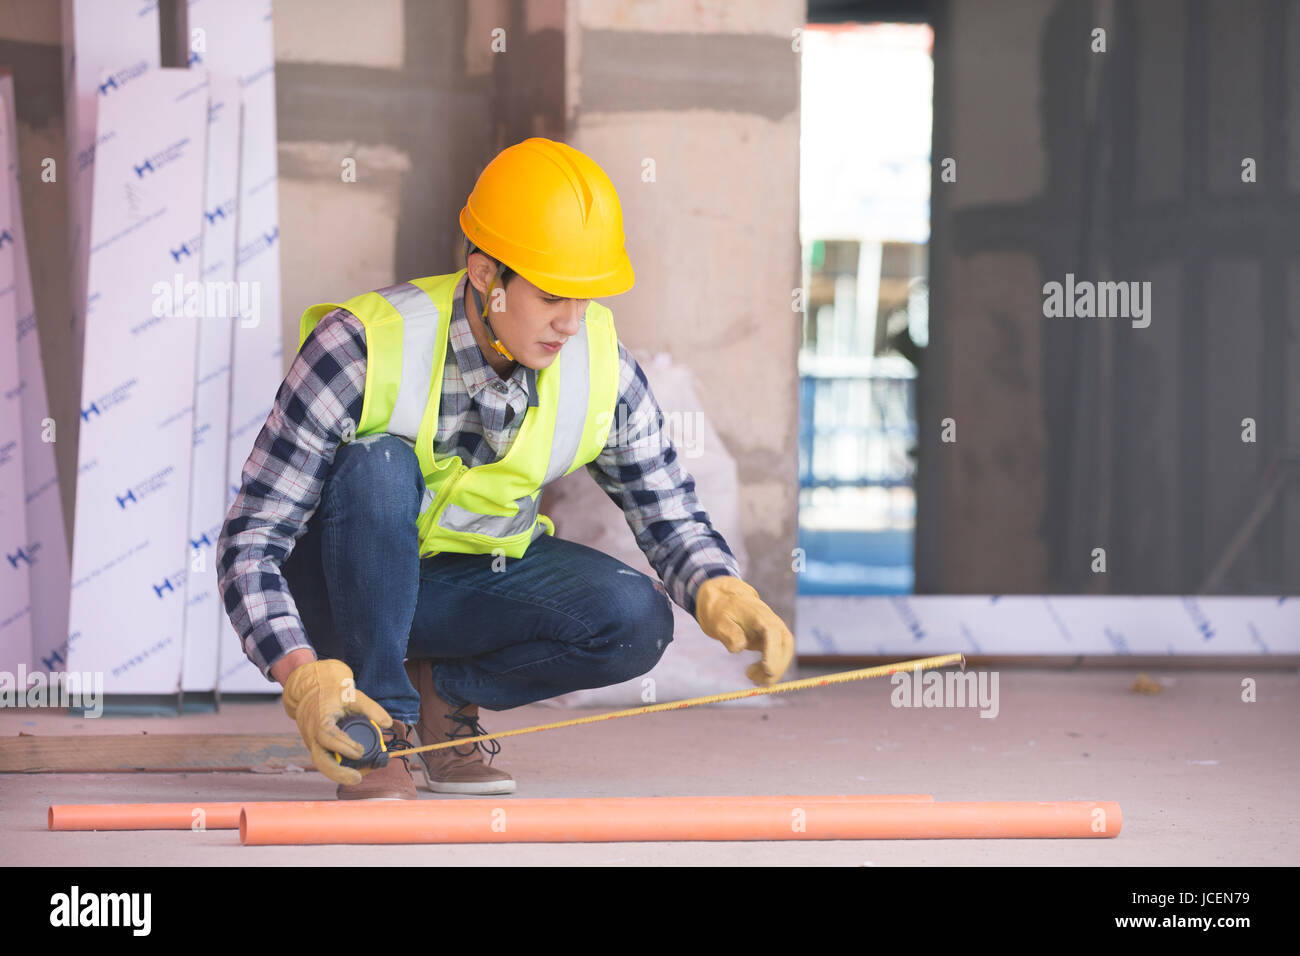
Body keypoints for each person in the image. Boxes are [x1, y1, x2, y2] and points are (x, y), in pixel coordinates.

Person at [217, 137, 794, 800]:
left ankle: (444, 698)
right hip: (338, 592)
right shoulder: (362, 347)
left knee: (636, 617)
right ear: (487, 273)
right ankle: (378, 730)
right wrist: (301, 675)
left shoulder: (599, 367)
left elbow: (666, 511)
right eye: (553, 296)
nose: (572, 323)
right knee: (377, 464)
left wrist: (720, 586)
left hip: (464, 592)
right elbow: (250, 541)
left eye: (587, 298)